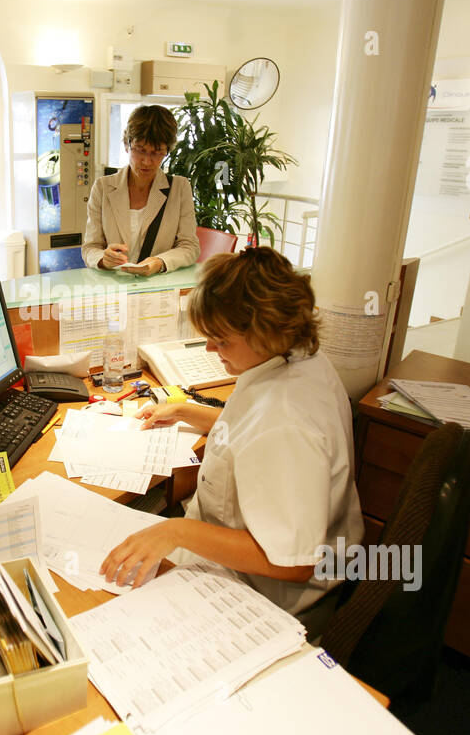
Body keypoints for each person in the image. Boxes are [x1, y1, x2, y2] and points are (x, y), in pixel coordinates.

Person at [98, 248, 364, 639]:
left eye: (220, 341)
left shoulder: (287, 422)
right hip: (247, 559)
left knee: (111, 614)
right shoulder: (298, 357)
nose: (210, 350)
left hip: (268, 597)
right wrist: (188, 410)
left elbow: (293, 562)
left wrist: (176, 534)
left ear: (265, 331)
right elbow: (254, 428)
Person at [81, 105, 199, 275]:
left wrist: (160, 262)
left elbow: (190, 246)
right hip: (115, 286)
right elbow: (90, 248)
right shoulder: (103, 188)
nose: (146, 161)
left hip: (158, 287)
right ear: (127, 144)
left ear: (167, 151)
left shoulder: (179, 188)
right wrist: (104, 259)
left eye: (157, 152)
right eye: (140, 150)